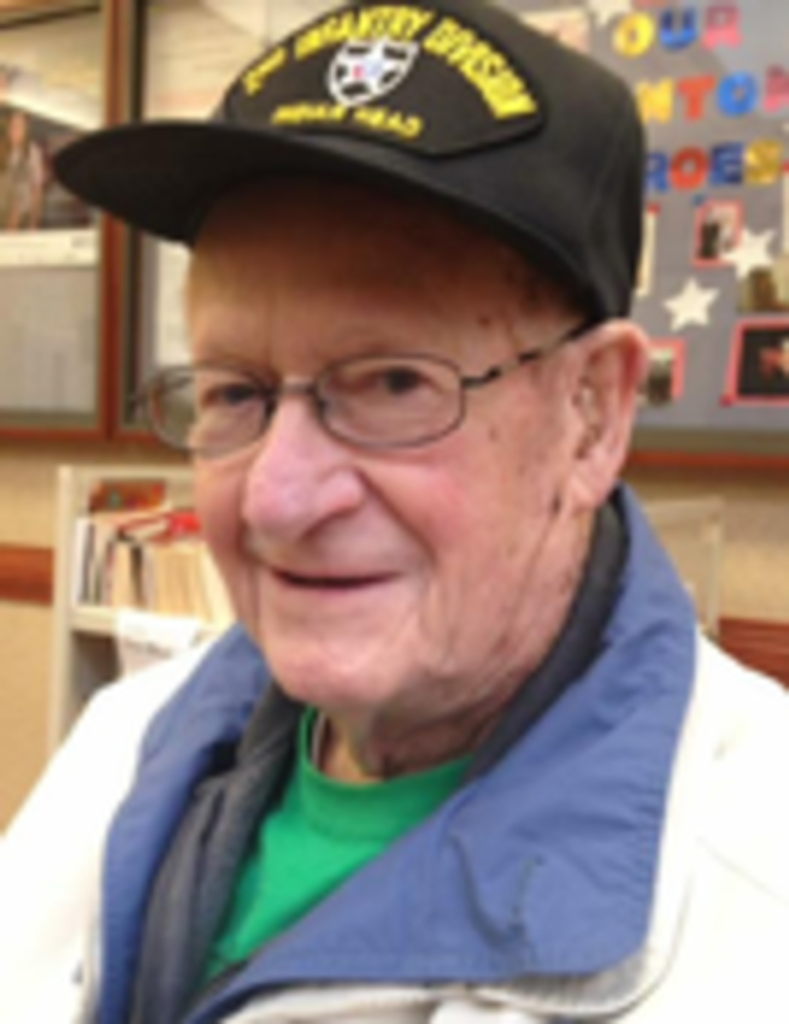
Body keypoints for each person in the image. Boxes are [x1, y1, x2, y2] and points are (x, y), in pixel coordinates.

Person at [3, 1, 789, 1021]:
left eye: (392, 384)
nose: (278, 498)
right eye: (235, 391)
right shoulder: (130, 738)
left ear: (591, 416)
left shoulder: (754, 898)